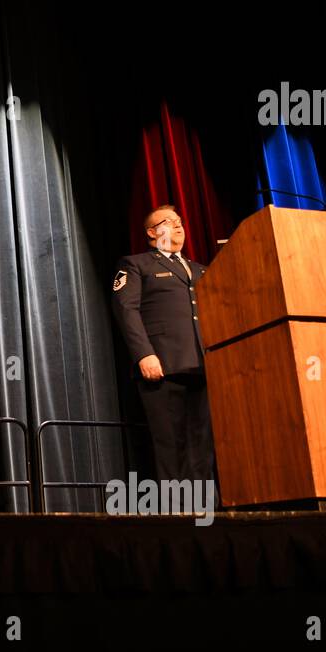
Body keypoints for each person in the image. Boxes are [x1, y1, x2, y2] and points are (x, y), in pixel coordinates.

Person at [110, 205, 217, 488]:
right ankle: (177, 516)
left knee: (202, 446)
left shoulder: (201, 270)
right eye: (170, 222)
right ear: (152, 232)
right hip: (163, 365)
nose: (179, 227)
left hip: (203, 366)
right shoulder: (137, 264)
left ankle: (206, 513)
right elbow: (126, 311)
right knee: (171, 445)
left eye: (181, 222)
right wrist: (144, 354)